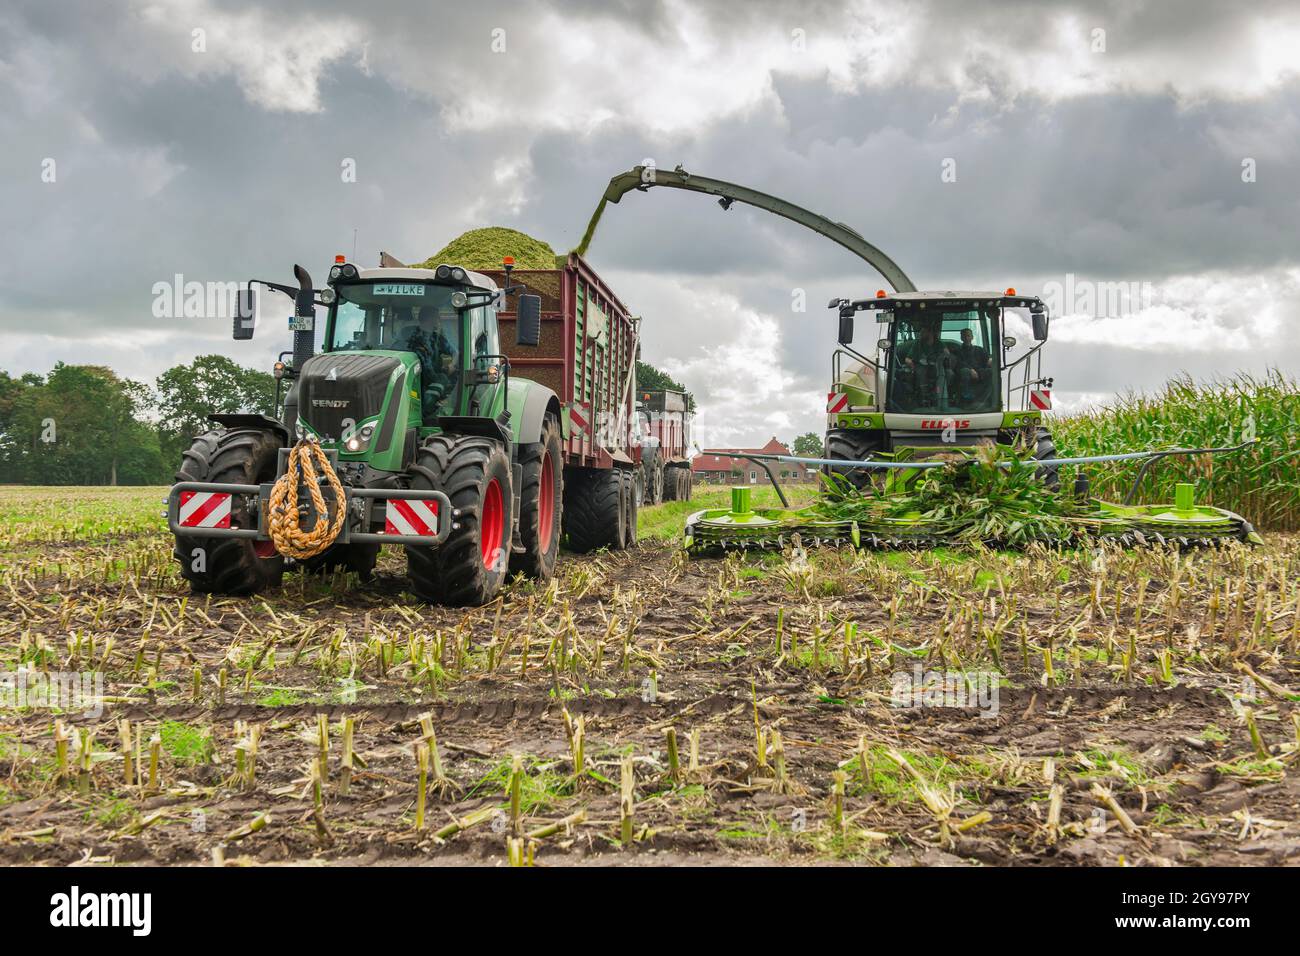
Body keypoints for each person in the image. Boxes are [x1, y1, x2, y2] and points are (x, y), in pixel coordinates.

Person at [953, 327, 991, 405]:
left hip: (980, 372)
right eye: (964, 336)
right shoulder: (957, 351)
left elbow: (988, 360)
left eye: (968, 335)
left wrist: (991, 361)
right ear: (961, 338)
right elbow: (958, 363)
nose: (966, 338)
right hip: (965, 373)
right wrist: (971, 370)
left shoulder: (980, 349)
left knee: (991, 371)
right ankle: (967, 398)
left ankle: (987, 398)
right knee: (965, 371)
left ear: (972, 337)